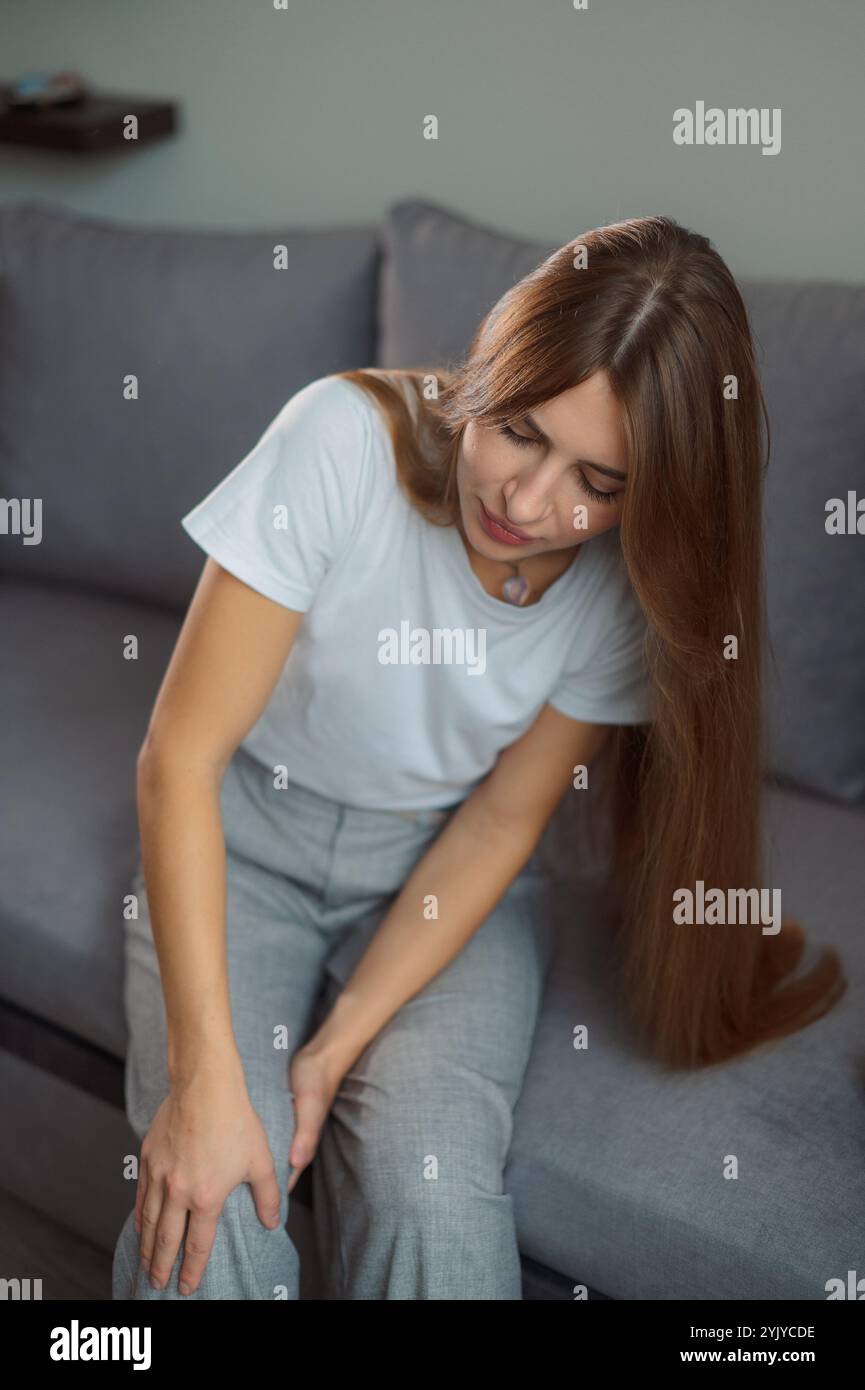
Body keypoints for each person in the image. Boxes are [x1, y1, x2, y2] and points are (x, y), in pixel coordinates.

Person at [111, 214, 845, 1302]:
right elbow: (179, 756)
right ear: (487, 369)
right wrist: (206, 1076)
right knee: (210, 1194)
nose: (529, 502)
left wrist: (332, 1047)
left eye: (598, 482)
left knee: (430, 1182)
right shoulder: (338, 439)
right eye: (518, 430)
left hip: (441, 872)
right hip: (241, 839)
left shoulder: (623, 587)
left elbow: (502, 822)